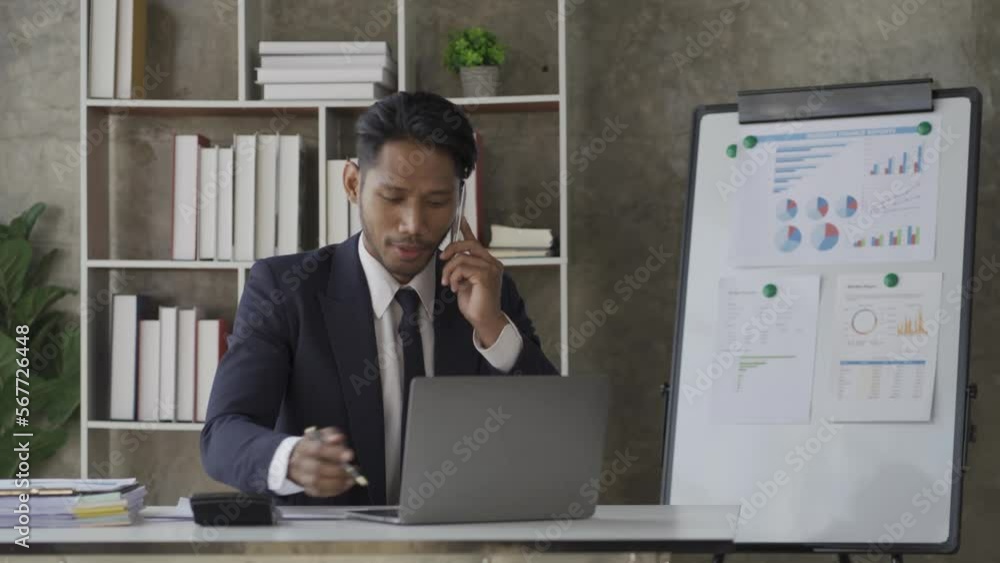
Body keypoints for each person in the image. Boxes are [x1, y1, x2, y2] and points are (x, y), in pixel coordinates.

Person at [200, 91, 559, 506]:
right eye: (392, 197)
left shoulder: (489, 291)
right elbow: (223, 433)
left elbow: (548, 433)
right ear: (354, 184)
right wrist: (290, 458)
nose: (413, 224)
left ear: (459, 199)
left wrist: (492, 328)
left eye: (437, 202)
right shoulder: (285, 289)